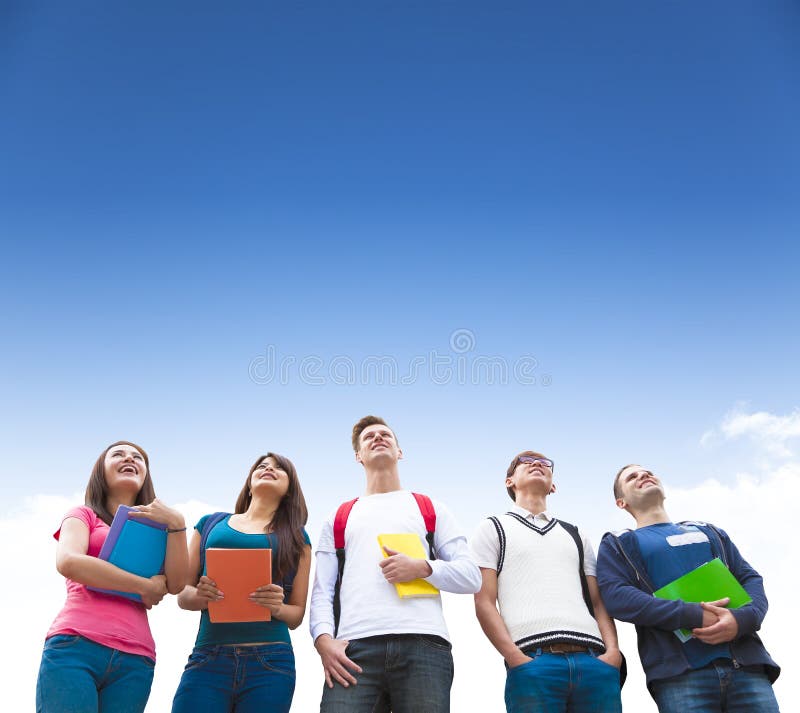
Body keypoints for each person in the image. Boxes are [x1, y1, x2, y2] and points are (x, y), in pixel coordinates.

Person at [309, 415, 481, 712]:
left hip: (424, 646)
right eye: (369, 437)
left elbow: (471, 577)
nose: (378, 437)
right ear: (358, 456)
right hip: (353, 650)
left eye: (385, 434)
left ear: (399, 452)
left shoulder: (430, 508)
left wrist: (424, 568)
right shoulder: (339, 517)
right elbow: (322, 590)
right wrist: (323, 640)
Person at [596, 464, 780, 712]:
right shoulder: (618, 543)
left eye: (648, 472)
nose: (644, 475)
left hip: (747, 666)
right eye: (632, 477)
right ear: (622, 502)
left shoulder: (710, 531)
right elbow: (618, 597)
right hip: (680, 676)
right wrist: (694, 615)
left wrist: (742, 619)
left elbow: (750, 579)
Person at [36, 440, 189, 713]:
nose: (129, 458)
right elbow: (69, 561)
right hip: (76, 645)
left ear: (145, 475)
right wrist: (144, 585)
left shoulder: (162, 530)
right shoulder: (83, 515)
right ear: (101, 472)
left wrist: (177, 524)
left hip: (136, 658)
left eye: (138, 457)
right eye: (118, 454)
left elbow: (176, 584)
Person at [471, 450, 623, 713]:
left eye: (544, 463)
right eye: (526, 461)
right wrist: (514, 657)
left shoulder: (575, 534)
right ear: (510, 481)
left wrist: (613, 654)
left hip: (594, 661)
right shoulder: (493, 527)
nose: (537, 464)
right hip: (533, 661)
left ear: (553, 486)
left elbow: (598, 602)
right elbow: (484, 601)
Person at [171, 452, 311, 713]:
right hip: (208, 657)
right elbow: (183, 594)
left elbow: (297, 615)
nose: (269, 468)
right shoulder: (210, 524)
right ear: (249, 483)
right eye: (262, 466)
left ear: (290, 489)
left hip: (271, 662)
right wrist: (201, 596)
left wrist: (277, 607)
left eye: (279, 469)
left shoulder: (298, 537)